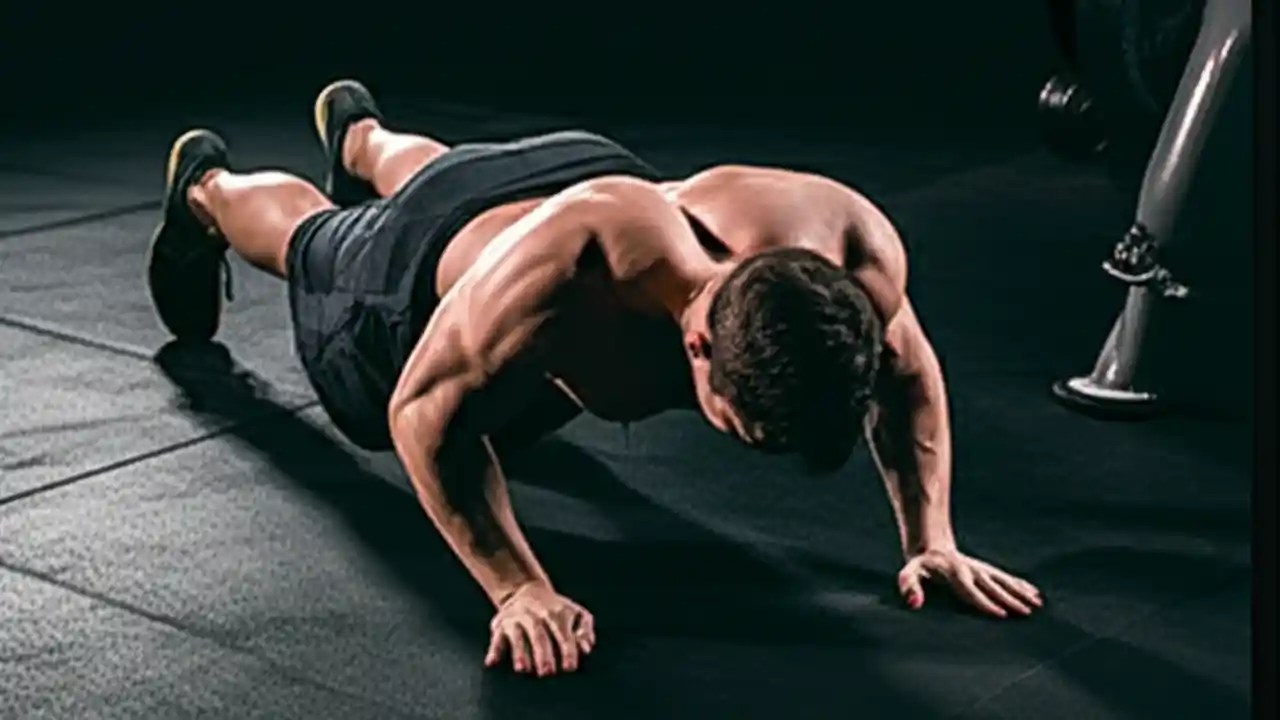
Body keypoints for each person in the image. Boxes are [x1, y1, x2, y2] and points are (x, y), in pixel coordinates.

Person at [146, 79, 1043, 679]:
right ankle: (209, 189)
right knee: (318, 245)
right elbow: (422, 411)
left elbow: (908, 370)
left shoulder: (849, 242)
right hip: (426, 266)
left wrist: (932, 535)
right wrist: (517, 587)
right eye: (742, 428)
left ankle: (364, 136)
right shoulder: (572, 276)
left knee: (461, 181)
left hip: (571, 172)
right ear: (696, 350)